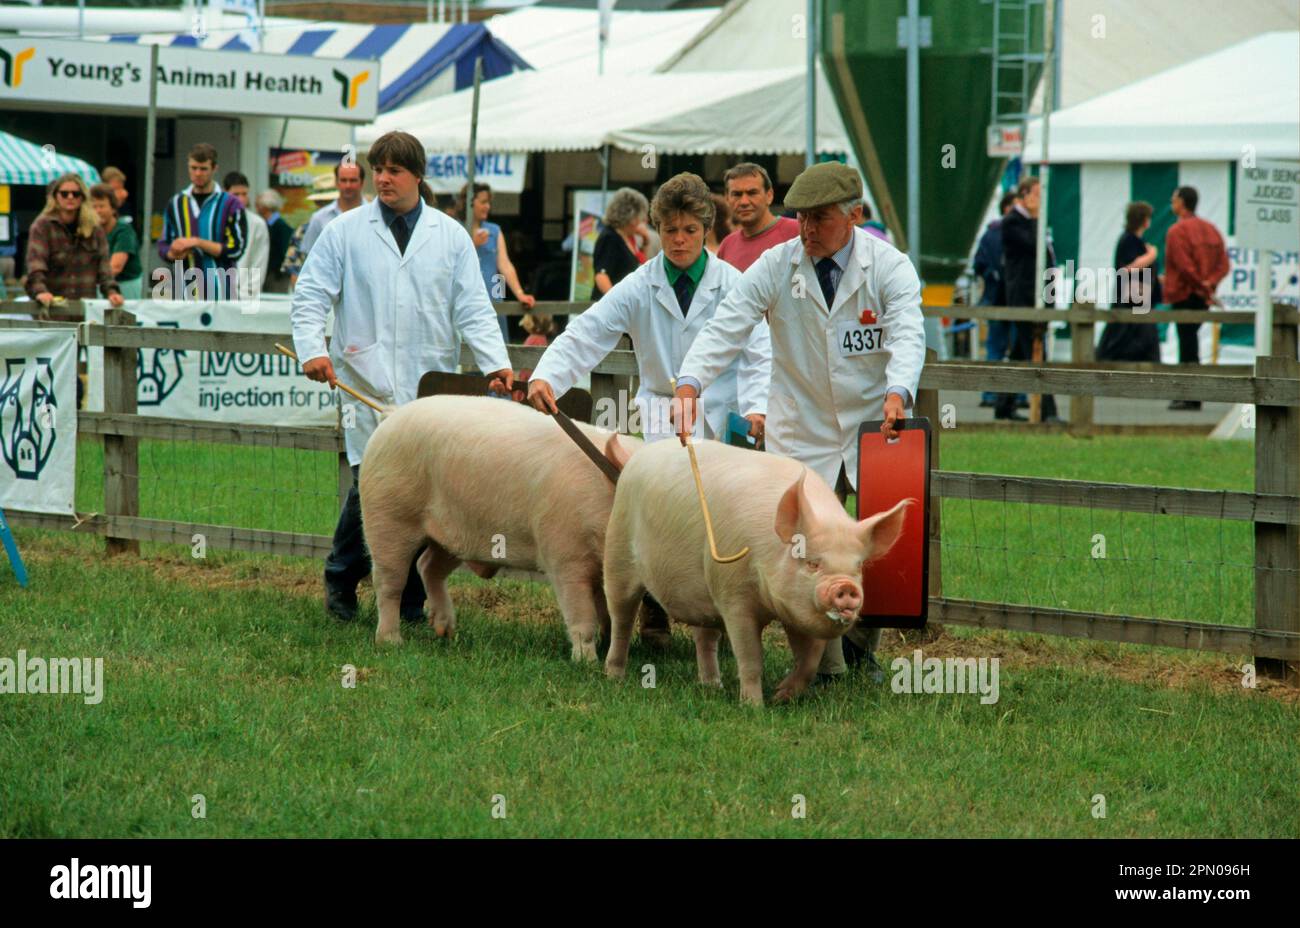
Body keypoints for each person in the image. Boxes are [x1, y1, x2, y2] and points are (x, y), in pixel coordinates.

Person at [674, 161, 925, 684]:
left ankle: (860, 648)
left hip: (875, 426)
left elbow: (908, 332)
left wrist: (899, 390)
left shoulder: (890, 267)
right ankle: (826, 664)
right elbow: (729, 324)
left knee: (868, 544)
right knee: (805, 547)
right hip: (799, 426)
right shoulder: (775, 265)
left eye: (821, 218)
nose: (807, 229)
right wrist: (690, 381)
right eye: (802, 218)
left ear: (854, 215)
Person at [529, 172, 771, 648]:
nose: (678, 241)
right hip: (661, 410)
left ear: (706, 230)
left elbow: (758, 351)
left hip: (720, 410)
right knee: (661, 511)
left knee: (718, 513)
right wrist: (547, 375)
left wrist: (758, 408)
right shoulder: (639, 284)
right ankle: (655, 612)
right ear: (655, 229)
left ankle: (718, 621)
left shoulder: (733, 284)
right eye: (669, 230)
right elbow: (588, 332)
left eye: (689, 231)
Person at [291, 130, 513, 624]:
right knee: (373, 481)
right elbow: (310, 296)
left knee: (420, 490)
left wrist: (496, 363)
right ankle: (343, 575)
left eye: (394, 170)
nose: (383, 179)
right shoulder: (344, 232)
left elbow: (474, 308)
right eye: (378, 170)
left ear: (417, 176)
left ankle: (405, 599)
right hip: (365, 379)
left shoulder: (450, 235)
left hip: (428, 385)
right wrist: (312, 349)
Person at [995, 175, 1060, 423]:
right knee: (1037, 351)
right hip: (1022, 296)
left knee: (1021, 353)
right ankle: (1049, 410)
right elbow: (1034, 246)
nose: (1040, 200)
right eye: (1036, 194)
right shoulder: (1013, 222)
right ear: (1025, 195)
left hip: (1037, 295)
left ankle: (1004, 404)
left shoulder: (1031, 221)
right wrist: (1034, 217)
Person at [1164, 185, 1230, 410]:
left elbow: (1183, 265)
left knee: (1187, 344)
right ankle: (1191, 393)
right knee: (1191, 341)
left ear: (1182, 202)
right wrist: (1210, 283)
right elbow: (1224, 264)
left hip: (1185, 293)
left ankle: (1189, 394)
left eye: (1174, 199)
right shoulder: (1211, 229)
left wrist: (1199, 283)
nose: (1172, 203)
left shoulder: (1177, 231)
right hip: (1203, 296)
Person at [157, 143, 247, 300]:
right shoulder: (176, 203)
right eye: (193, 168)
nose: (198, 173)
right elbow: (164, 246)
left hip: (221, 291)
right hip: (184, 291)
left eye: (203, 169)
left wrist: (197, 242)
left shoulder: (230, 203)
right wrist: (174, 252)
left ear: (214, 169)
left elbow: (236, 249)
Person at [24, 174, 124, 309]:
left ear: (82, 197)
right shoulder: (42, 226)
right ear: (55, 197)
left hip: (86, 309)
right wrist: (41, 291)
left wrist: (112, 292)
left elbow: (105, 269)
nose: (70, 197)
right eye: (64, 194)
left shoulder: (95, 228)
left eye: (75, 194)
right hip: (50, 309)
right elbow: (36, 265)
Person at [461, 181, 536, 341]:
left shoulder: (494, 230)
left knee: (499, 344)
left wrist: (520, 294)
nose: (487, 206)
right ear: (469, 202)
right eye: (483, 202)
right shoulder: (456, 228)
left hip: (495, 291)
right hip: (466, 299)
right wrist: (472, 243)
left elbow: (504, 265)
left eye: (489, 202)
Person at [1097, 201, 1162, 363]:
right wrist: (1151, 256)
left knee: (1145, 352)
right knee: (1123, 351)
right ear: (1144, 220)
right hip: (1130, 305)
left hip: (1141, 304)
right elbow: (1128, 269)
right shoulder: (1129, 240)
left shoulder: (1136, 241)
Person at [974, 192, 1018, 408]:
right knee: (1006, 349)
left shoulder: (990, 234)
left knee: (1001, 349)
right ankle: (1012, 395)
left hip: (1001, 298)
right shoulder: (997, 233)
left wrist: (990, 276)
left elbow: (978, 265)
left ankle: (996, 395)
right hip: (1007, 299)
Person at [716, 161, 800, 271]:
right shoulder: (727, 246)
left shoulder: (797, 231)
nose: (744, 202)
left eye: (752, 193)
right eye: (737, 194)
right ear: (727, 199)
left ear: (769, 195)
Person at [300, 162, 367, 260]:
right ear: (336, 182)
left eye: (353, 180)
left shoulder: (375, 216)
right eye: (343, 180)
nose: (348, 185)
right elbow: (310, 256)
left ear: (362, 183)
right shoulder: (319, 218)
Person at [88, 183, 143, 300]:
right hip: (101, 286)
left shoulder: (124, 231)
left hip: (126, 288)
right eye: (94, 207)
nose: (98, 211)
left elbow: (116, 267)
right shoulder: (90, 232)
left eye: (102, 206)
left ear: (113, 208)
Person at [592, 187, 649, 298]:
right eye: (639, 218)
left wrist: (645, 241)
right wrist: (615, 302)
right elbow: (601, 275)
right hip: (610, 307)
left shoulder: (628, 237)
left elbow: (641, 264)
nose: (640, 223)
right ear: (631, 217)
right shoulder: (610, 238)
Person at [223, 171, 269, 296]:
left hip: (244, 293)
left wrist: (250, 293)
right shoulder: (216, 220)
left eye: (244, 194)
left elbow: (259, 261)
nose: (241, 199)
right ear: (225, 194)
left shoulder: (257, 223)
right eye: (236, 194)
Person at [257, 190, 294, 293]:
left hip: (277, 277)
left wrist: (279, 273)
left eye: (258, 205)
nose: (257, 208)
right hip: (268, 274)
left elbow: (285, 252)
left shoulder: (281, 227)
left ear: (265, 207)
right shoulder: (267, 225)